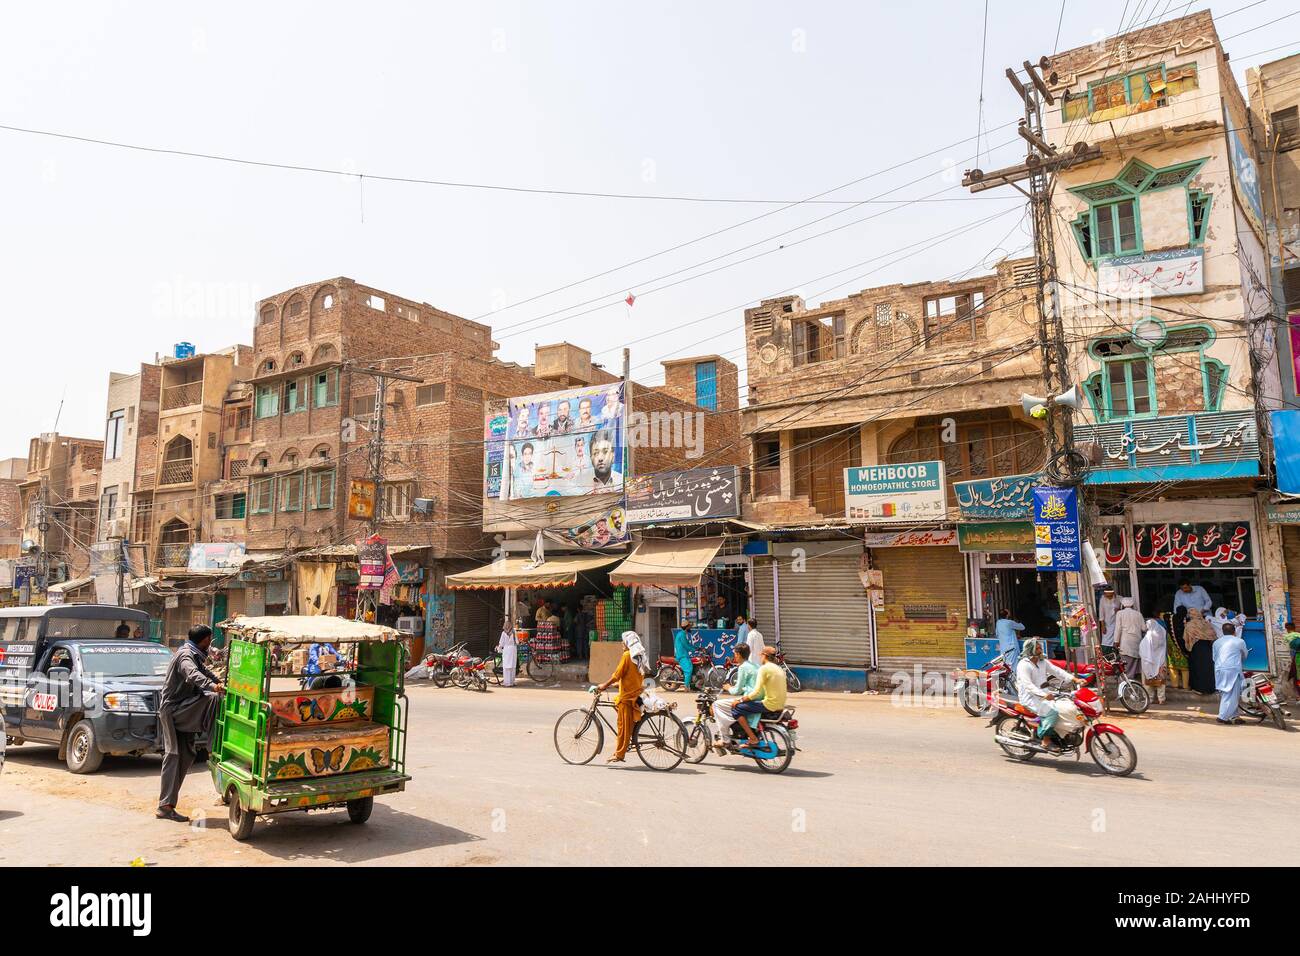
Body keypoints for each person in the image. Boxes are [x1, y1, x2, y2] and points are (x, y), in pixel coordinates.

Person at [157, 625, 224, 822]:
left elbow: (206, 672)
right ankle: (214, 745)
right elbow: (194, 674)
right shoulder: (186, 656)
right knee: (173, 755)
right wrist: (213, 687)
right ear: (203, 641)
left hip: (185, 707)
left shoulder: (195, 655)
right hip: (174, 710)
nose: (210, 645)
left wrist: (221, 682)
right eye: (209, 641)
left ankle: (167, 805)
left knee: (185, 756)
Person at [1014, 637, 1081, 751]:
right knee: (1052, 713)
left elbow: (1057, 671)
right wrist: (1042, 695)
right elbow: (1028, 685)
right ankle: (1046, 740)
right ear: (1031, 650)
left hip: (1045, 695)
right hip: (1030, 698)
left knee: (1066, 709)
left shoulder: (1042, 661)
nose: (1040, 649)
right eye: (1038, 647)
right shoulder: (1023, 665)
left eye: (1039, 647)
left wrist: (1074, 679)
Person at [594, 631, 647, 763]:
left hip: (628, 697)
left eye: (623, 642)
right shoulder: (638, 655)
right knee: (617, 706)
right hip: (635, 692)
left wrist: (604, 685)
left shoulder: (627, 655)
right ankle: (631, 734)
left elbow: (617, 675)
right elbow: (631, 676)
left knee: (622, 727)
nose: (621, 644)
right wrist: (618, 685)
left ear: (628, 643)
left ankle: (619, 754)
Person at [731, 646, 787, 747]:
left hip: (769, 704)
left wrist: (741, 699)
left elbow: (756, 692)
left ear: (764, 656)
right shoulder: (779, 668)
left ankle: (753, 738)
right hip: (780, 704)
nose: (760, 657)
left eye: (760, 655)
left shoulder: (764, 669)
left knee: (737, 709)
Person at [712, 643, 759, 747]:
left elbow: (736, 691)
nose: (734, 656)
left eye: (735, 654)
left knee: (717, 704)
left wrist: (728, 688)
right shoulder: (755, 665)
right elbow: (750, 685)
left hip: (749, 698)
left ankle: (725, 739)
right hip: (756, 696)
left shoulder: (743, 667)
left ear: (738, 654)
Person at [1212, 622, 1249, 725]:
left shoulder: (1216, 642)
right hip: (1233, 670)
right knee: (1232, 694)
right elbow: (1245, 654)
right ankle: (1222, 716)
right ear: (1234, 631)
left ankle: (1235, 716)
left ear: (1223, 632)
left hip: (1219, 669)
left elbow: (1214, 657)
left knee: (1227, 692)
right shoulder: (1239, 641)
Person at [1184, 607, 1217, 694]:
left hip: (1196, 648)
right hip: (1207, 647)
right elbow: (1213, 634)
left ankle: (1200, 689)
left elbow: (1186, 638)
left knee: (1198, 667)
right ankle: (1210, 688)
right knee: (1208, 667)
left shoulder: (1190, 625)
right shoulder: (1206, 623)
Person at [1112, 596, 1146, 679]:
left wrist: (1116, 641)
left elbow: (1118, 628)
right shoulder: (1138, 614)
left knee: (1125, 665)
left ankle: (1127, 682)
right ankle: (1132, 680)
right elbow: (1144, 628)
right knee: (1134, 663)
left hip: (1125, 642)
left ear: (1123, 605)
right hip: (1137, 642)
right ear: (1132, 605)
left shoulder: (1120, 613)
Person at [1139, 614, 1169, 704]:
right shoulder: (1162, 631)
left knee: (1148, 681)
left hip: (1148, 662)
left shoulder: (1148, 636)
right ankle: (1161, 699)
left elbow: (1142, 649)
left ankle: (1150, 698)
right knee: (1161, 680)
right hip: (1161, 660)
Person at [994, 608, 1025, 675]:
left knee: (1006, 667)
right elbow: (1022, 627)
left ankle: (1008, 684)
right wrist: (1019, 621)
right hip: (1011, 649)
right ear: (1007, 615)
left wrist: (1013, 634)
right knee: (1013, 668)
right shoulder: (1010, 622)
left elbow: (997, 634)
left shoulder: (998, 622)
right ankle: (1012, 684)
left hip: (1003, 649)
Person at [673, 620, 697, 690]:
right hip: (682, 655)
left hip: (684, 654)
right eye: (689, 626)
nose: (690, 628)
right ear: (686, 627)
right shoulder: (682, 635)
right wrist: (695, 650)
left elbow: (688, 645)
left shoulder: (682, 634)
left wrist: (697, 648)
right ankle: (686, 687)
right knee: (688, 670)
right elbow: (686, 646)